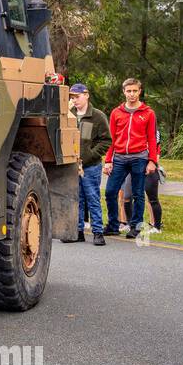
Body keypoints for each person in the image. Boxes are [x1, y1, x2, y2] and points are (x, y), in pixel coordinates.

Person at [103, 77, 160, 239]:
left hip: (139, 158)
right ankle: (114, 225)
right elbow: (111, 139)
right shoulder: (116, 113)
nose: (132, 94)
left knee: (138, 194)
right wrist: (108, 160)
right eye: (129, 91)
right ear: (124, 92)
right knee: (110, 191)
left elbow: (152, 139)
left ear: (140, 91)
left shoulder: (148, 113)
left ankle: (135, 226)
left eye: (135, 91)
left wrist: (152, 161)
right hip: (119, 158)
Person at [68, 83, 110, 245]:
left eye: (77, 97)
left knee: (92, 197)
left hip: (90, 166)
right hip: (72, 165)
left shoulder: (97, 116)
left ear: (86, 95)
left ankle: (98, 232)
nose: (75, 100)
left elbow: (106, 140)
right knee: (76, 198)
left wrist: (91, 155)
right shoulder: (69, 114)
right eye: (72, 97)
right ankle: (77, 231)